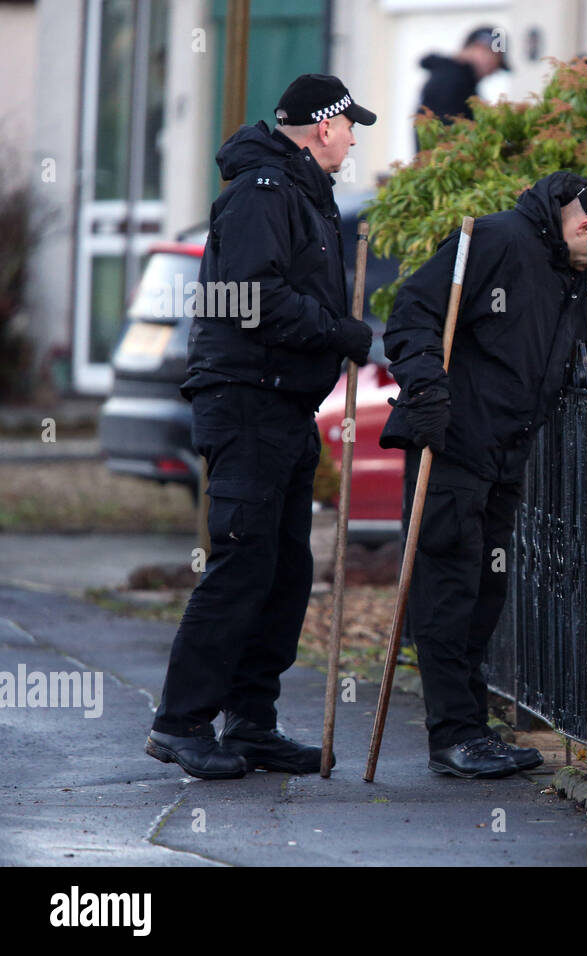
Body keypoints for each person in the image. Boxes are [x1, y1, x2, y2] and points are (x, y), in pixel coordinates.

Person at [379, 172, 587, 778]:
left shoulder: (585, 281)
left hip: (509, 457)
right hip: (453, 443)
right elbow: (414, 311)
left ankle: (470, 729)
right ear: (584, 227)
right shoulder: (497, 240)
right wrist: (425, 386)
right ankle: (453, 736)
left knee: (484, 593)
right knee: (447, 589)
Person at [145, 75, 376, 779]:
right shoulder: (262, 192)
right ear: (321, 127)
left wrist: (334, 335)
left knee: (283, 570)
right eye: (349, 125)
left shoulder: (304, 192)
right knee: (243, 562)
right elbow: (248, 298)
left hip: (283, 405)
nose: (355, 138)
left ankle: (251, 722)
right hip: (245, 401)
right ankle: (180, 722)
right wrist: (337, 330)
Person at [414, 25, 510, 150]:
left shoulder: (458, 79)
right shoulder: (451, 80)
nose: (493, 70)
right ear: (480, 50)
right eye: (495, 60)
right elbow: (446, 128)